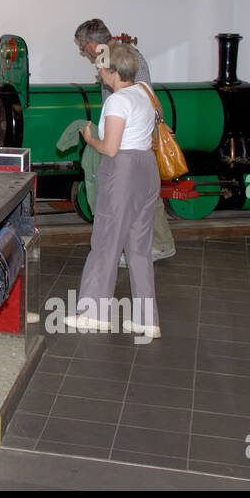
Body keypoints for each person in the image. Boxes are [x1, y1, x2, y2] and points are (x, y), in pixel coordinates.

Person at [64, 43, 161, 338]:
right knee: (139, 249)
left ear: (113, 71)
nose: (98, 73)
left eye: (101, 68)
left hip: (123, 171)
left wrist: (89, 138)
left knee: (106, 240)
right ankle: (147, 320)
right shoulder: (146, 93)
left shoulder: (118, 102)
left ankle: (93, 313)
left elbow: (110, 147)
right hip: (147, 168)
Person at [73, 18, 176, 262]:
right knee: (132, 195)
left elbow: (145, 92)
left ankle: (159, 244)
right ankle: (136, 247)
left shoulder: (128, 57)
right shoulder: (110, 58)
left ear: (94, 43)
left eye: (83, 45)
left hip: (132, 136)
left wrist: (157, 123)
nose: (84, 51)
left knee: (139, 194)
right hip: (124, 132)